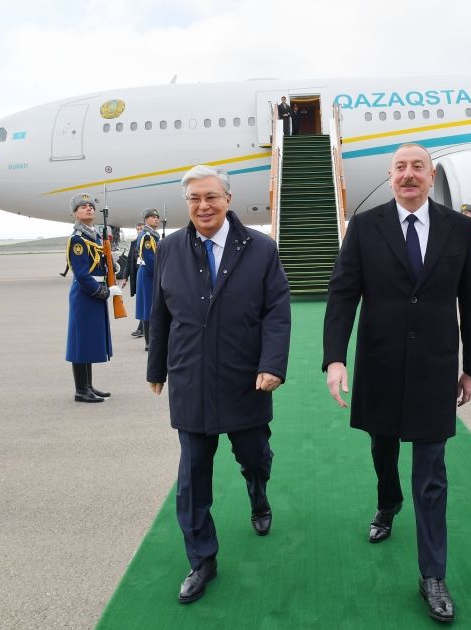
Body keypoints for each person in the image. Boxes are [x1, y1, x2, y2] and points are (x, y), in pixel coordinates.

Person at [323, 143, 471, 624]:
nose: (408, 175)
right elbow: (342, 294)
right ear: (390, 176)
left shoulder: (459, 228)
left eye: (417, 167)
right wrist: (335, 359)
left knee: (432, 473)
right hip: (381, 363)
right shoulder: (365, 227)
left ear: (431, 176)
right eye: (400, 168)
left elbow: (470, 297)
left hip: (436, 368)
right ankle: (388, 502)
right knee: (383, 447)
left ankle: (432, 574)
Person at [147, 165, 291, 604]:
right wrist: (157, 368)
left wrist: (272, 365)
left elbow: (276, 312)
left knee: (254, 455)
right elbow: (161, 313)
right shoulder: (170, 249)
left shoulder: (260, 248)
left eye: (211, 197)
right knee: (193, 476)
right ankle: (202, 559)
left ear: (228, 199)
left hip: (246, 379)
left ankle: (258, 490)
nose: (203, 206)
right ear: (187, 203)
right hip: (190, 380)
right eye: (194, 199)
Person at [65, 193, 119, 403]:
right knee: (81, 341)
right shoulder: (77, 240)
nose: (88, 209)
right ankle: (81, 390)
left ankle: (88, 385)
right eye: (82, 207)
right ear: (75, 213)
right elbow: (81, 274)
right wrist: (101, 292)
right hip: (85, 293)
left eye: (90, 206)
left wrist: (112, 263)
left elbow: (99, 264)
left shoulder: (95, 237)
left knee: (88, 340)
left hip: (95, 291)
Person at [134, 208, 160, 351]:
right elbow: (150, 259)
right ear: (146, 219)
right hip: (148, 273)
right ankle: (148, 342)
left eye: (157, 217)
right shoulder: (147, 236)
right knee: (147, 307)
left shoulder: (152, 235)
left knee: (151, 306)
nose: (156, 219)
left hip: (150, 273)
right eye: (152, 216)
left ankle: (151, 340)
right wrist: (159, 274)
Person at [123, 222, 144, 338]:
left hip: (148, 278)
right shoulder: (134, 244)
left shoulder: (149, 241)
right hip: (138, 278)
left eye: (141, 228)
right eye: (138, 229)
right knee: (143, 304)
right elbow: (129, 261)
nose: (140, 230)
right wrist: (125, 277)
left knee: (145, 304)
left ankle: (142, 329)